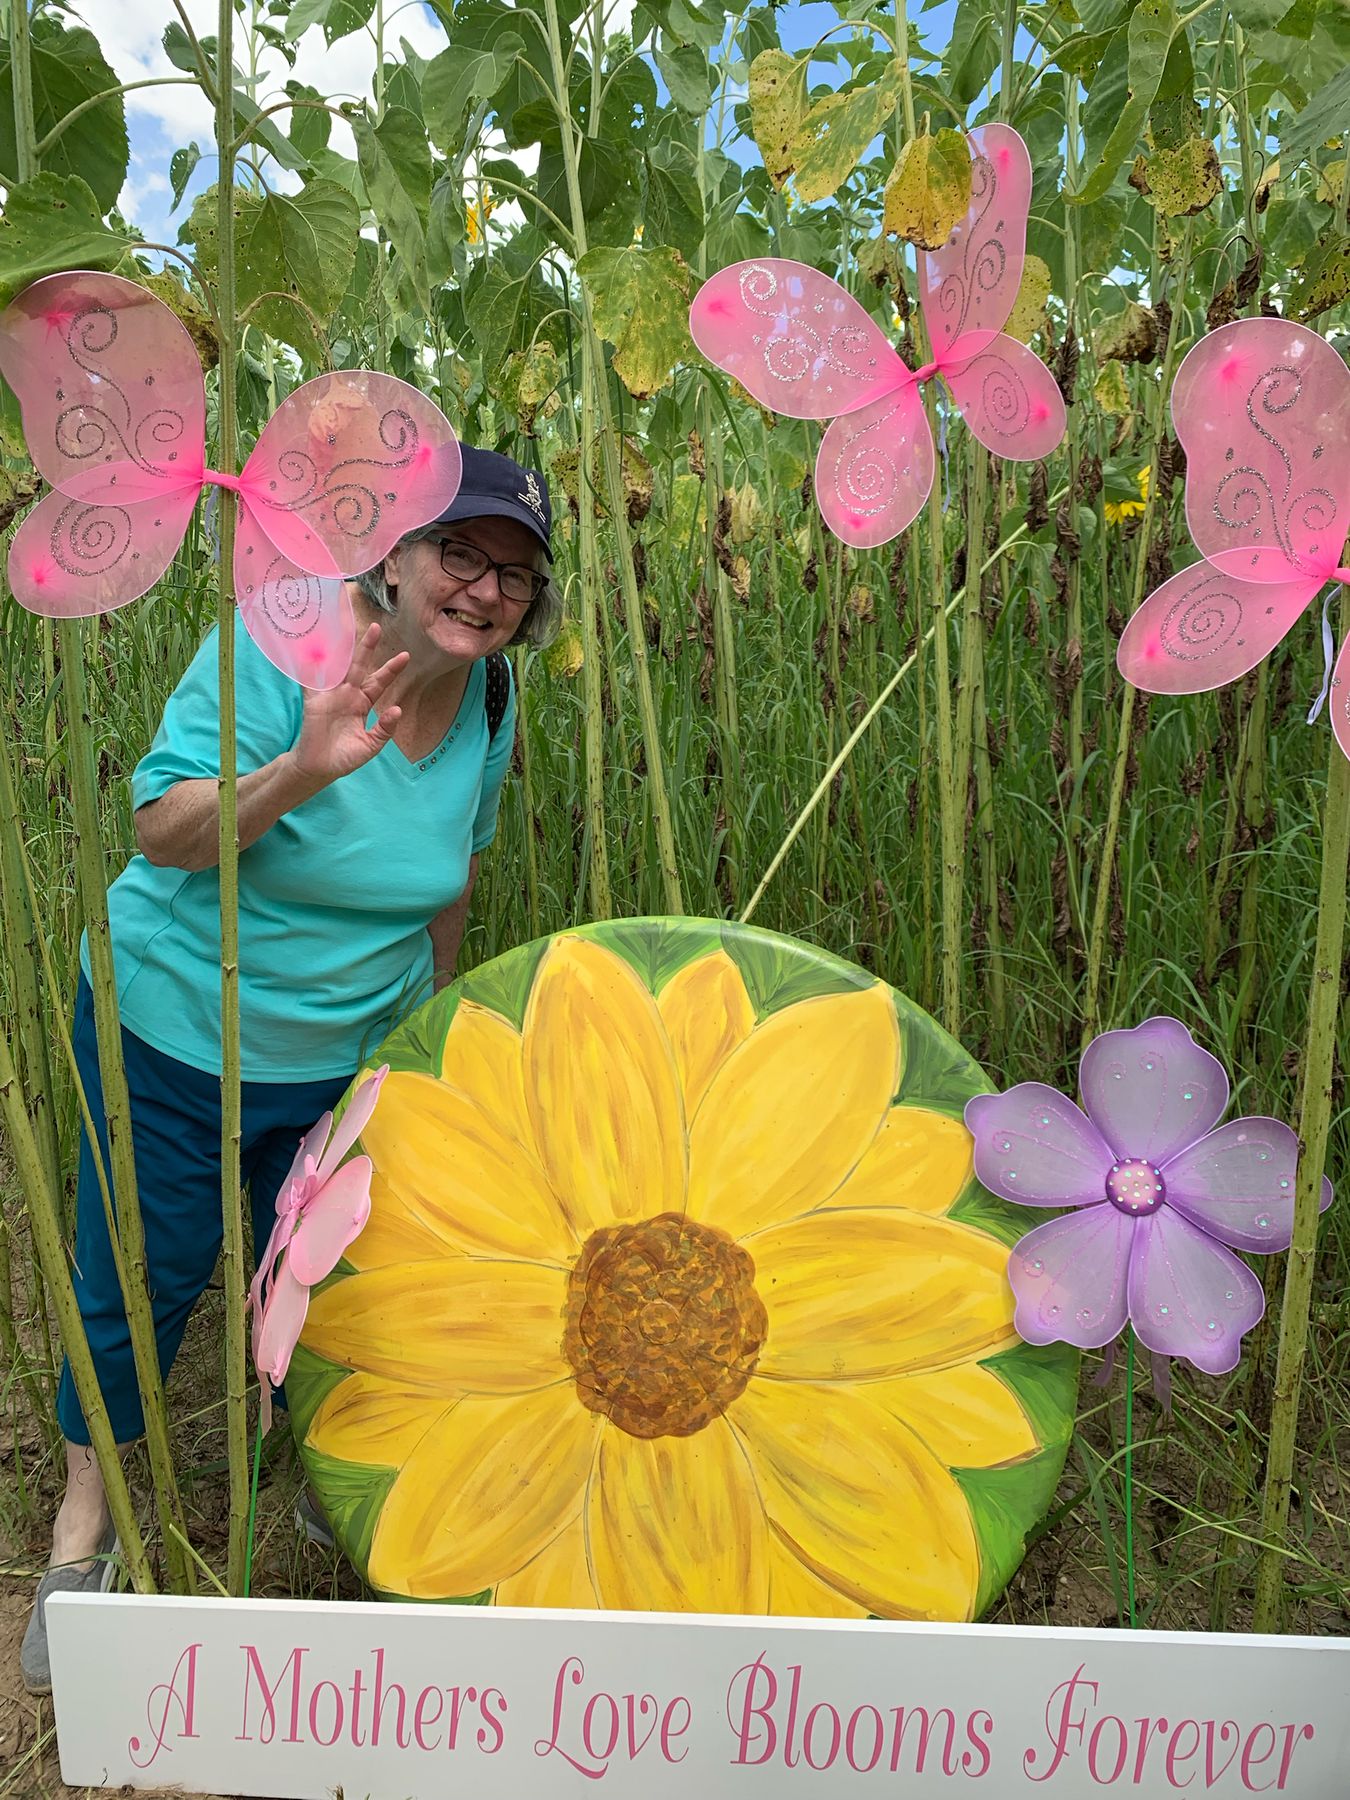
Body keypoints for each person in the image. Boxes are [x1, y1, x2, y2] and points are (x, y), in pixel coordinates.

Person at [21, 445, 560, 1694]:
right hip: (177, 1029)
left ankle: (324, 1478)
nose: (484, 592)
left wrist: (422, 1048)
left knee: (334, 1286)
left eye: (516, 579)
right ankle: (79, 1539)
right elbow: (161, 829)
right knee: (140, 1279)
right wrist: (303, 769)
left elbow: (450, 880)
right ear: (397, 552)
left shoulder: (490, 702)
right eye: (462, 555)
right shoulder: (280, 639)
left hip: (347, 1052)